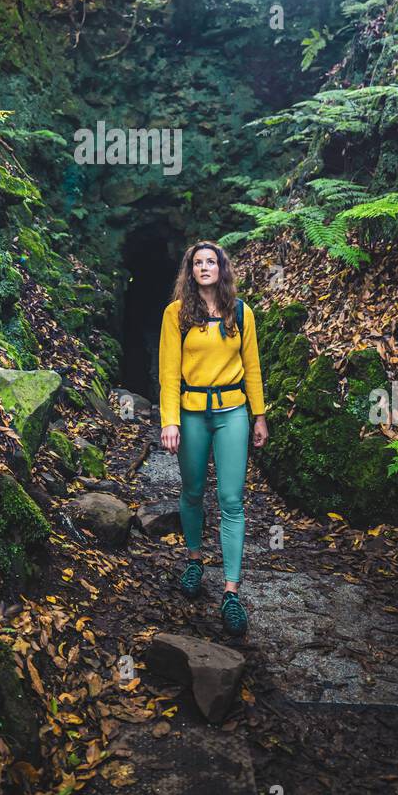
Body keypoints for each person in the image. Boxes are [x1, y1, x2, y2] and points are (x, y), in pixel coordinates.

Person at [157, 240, 268, 637]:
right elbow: (169, 372)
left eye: (211, 262)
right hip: (191, 414)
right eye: (197, 263)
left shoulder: (242, 312)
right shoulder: (177, 314)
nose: (204, 268)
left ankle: (231, 592)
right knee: (192, 490)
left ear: (222, 268)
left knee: (232, 499)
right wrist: (170, 421)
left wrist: (259, 416)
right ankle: (193, 560)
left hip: (233, 413)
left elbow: (252, 367)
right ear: (190, 272)